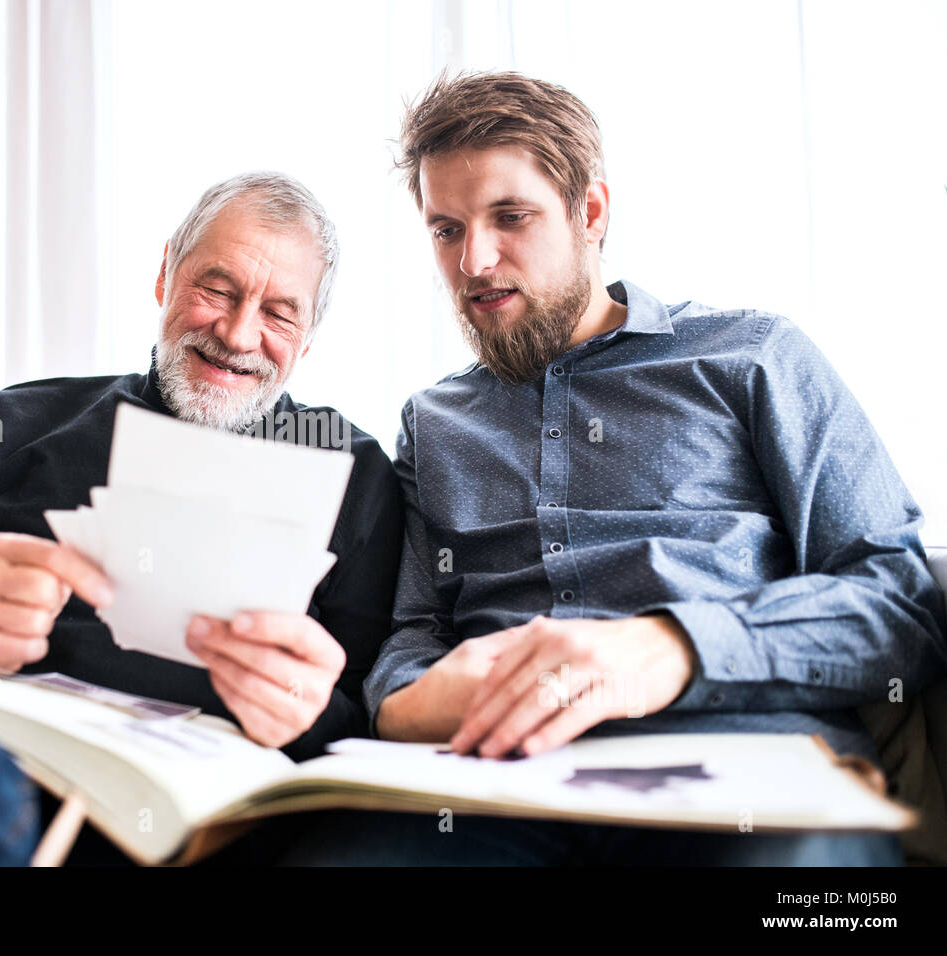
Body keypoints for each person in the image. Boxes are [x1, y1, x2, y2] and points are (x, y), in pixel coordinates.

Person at [283, 71, 947, 866]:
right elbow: (416, 632)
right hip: (489, 789)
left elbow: (897, 602)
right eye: (447, 230)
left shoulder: (753, 358)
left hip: (736, 783)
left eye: (510, 217)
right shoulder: (434, 423)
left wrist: (677, 648)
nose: (475, 260)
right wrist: (407, 702)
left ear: (590, 212)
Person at [0, 171, 403, 865]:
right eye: (216, 289)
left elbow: (374, 729)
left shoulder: (354, 473)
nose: (237, 332)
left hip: (216, 822)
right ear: (165, 274)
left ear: (308, 337)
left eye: (280, 312)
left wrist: (306, 713)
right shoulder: (11, 426)